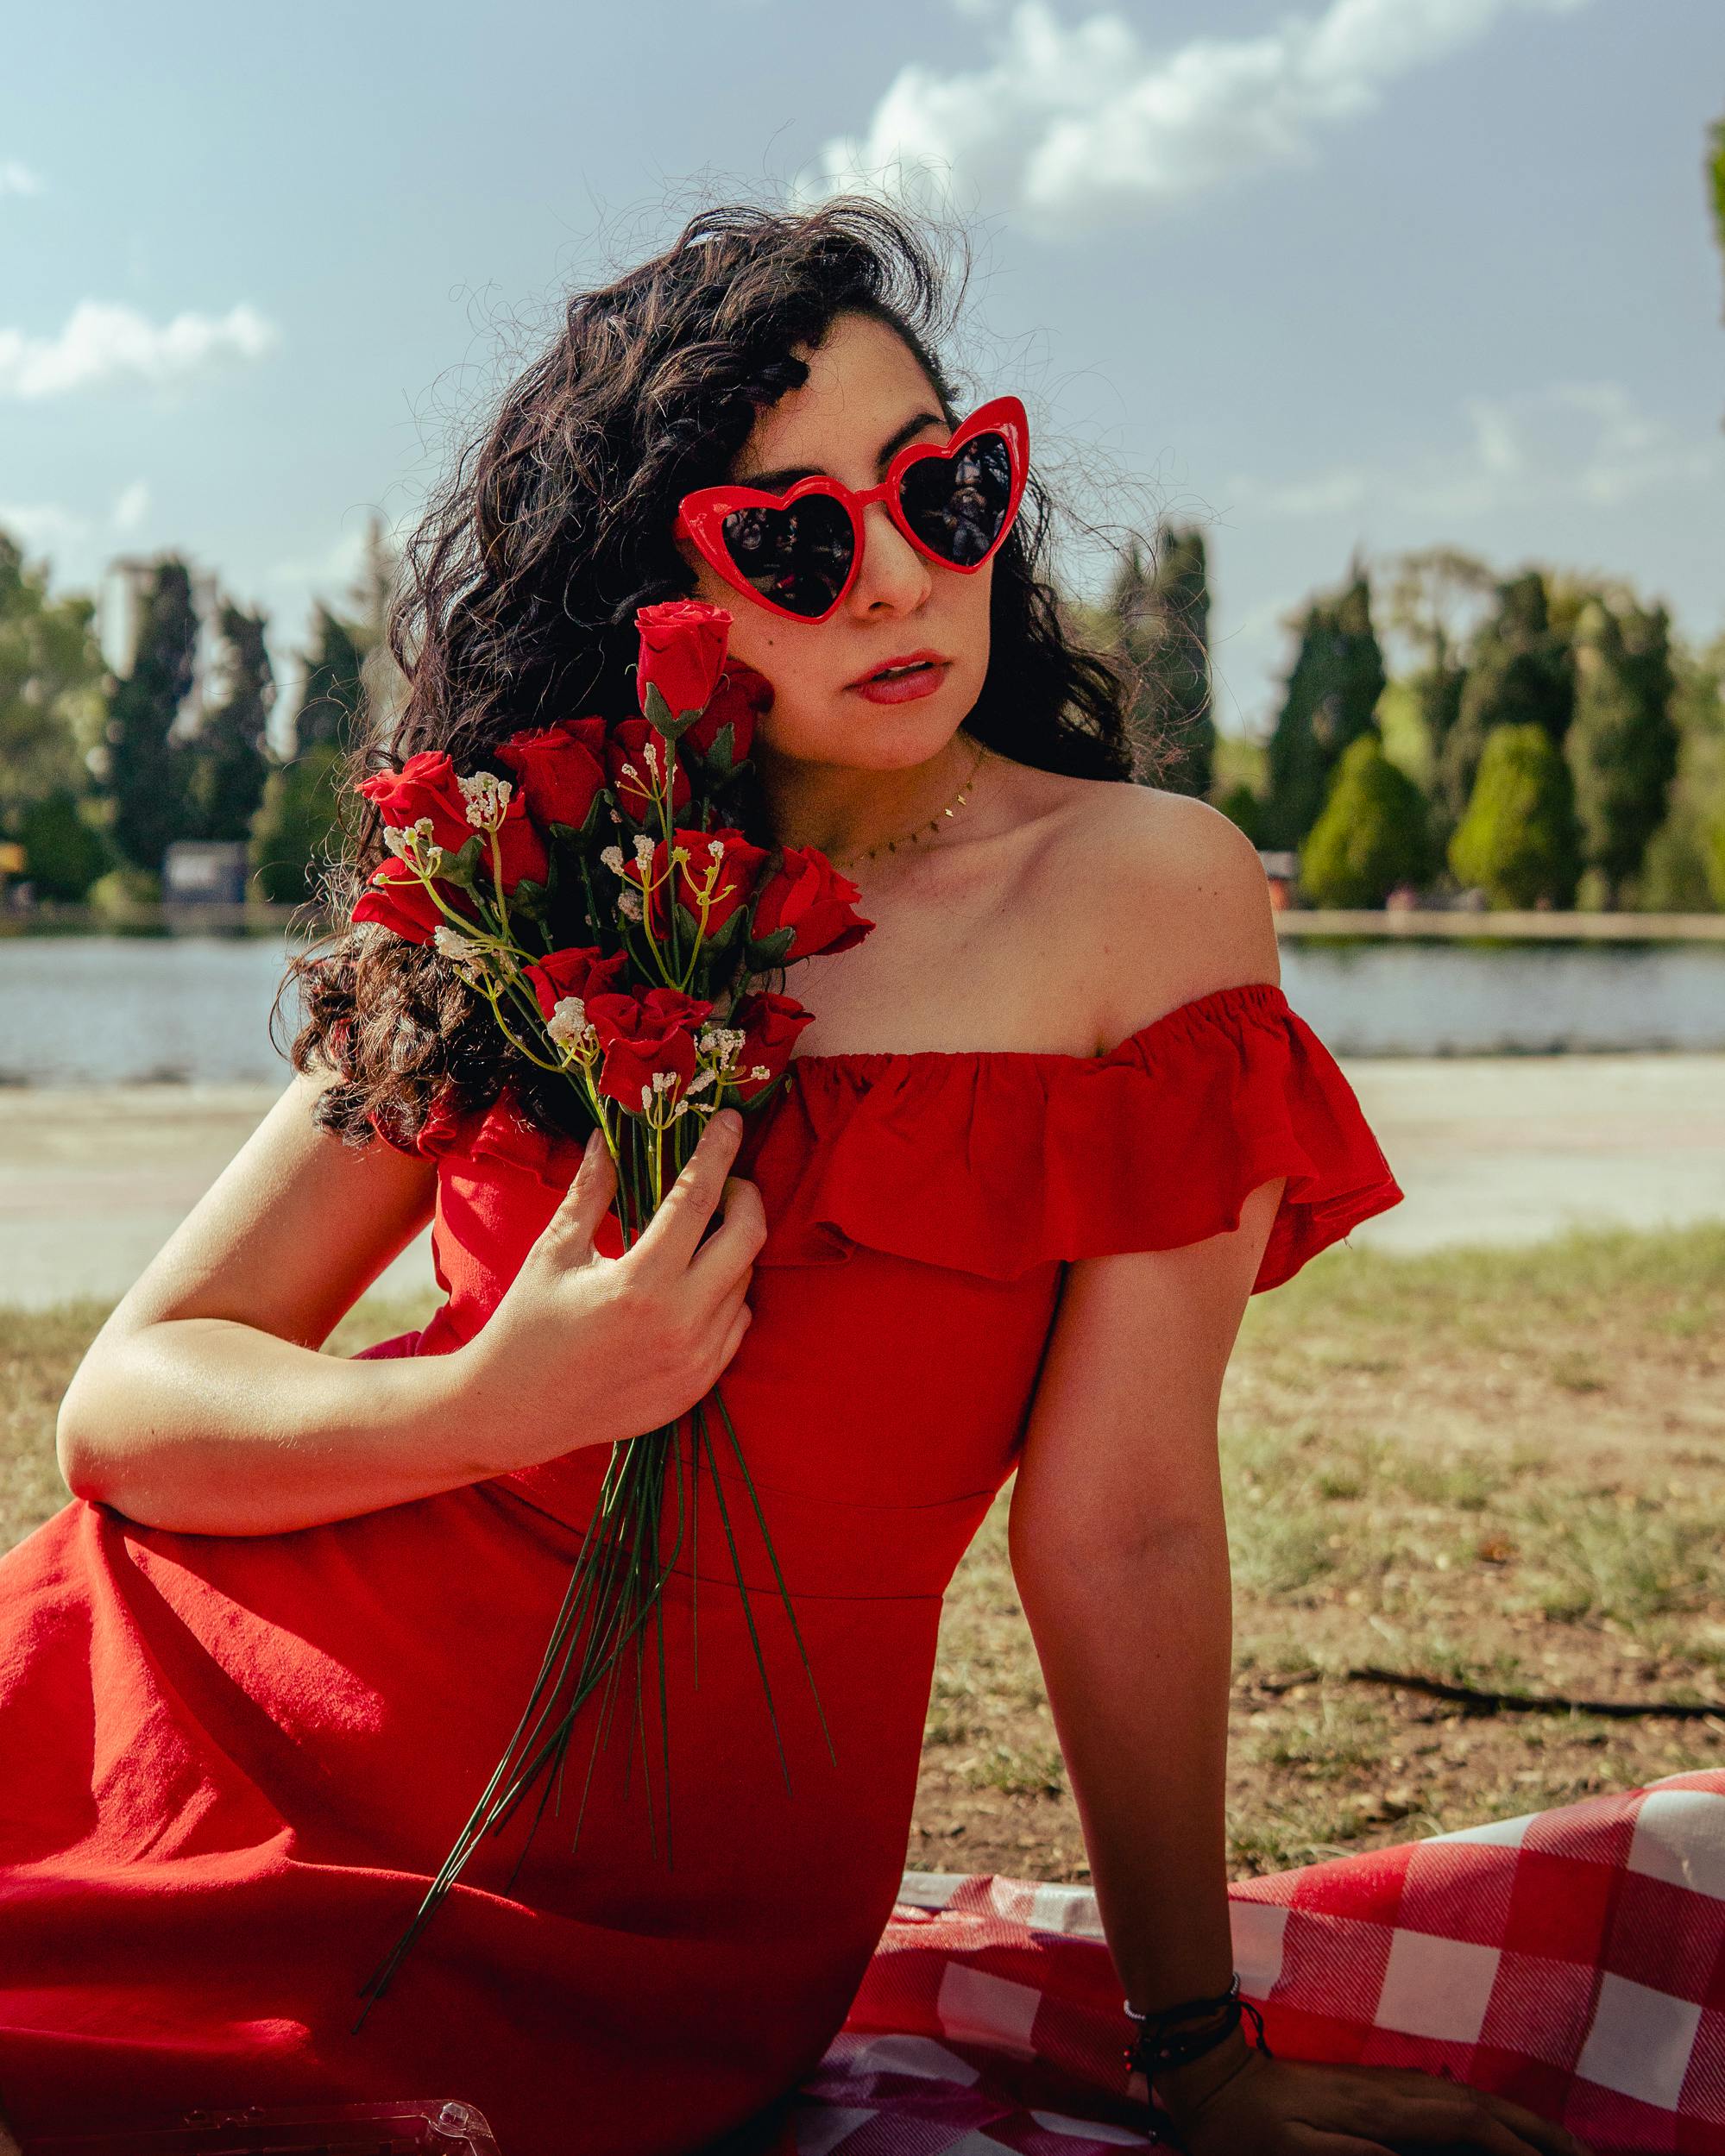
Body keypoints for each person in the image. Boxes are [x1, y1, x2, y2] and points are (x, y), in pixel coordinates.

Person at [0, 198, 1597, 2156]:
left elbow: (1124, 1528)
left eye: (943, 488)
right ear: (649, 586)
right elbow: (128, 1405)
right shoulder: (533, 869)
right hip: (183, 1723)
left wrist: (1201, 2054)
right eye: (792, 537)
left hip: (668, 1933)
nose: (897, 577)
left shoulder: (1143, 894)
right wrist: (496, 1400)